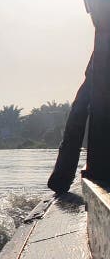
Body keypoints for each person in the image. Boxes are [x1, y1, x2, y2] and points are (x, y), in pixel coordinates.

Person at [48, 54, 93, 195]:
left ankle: (61, 179)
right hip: (95, 79)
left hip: (96, 80)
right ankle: (61, 179)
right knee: (78, 114)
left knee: (77, 115)